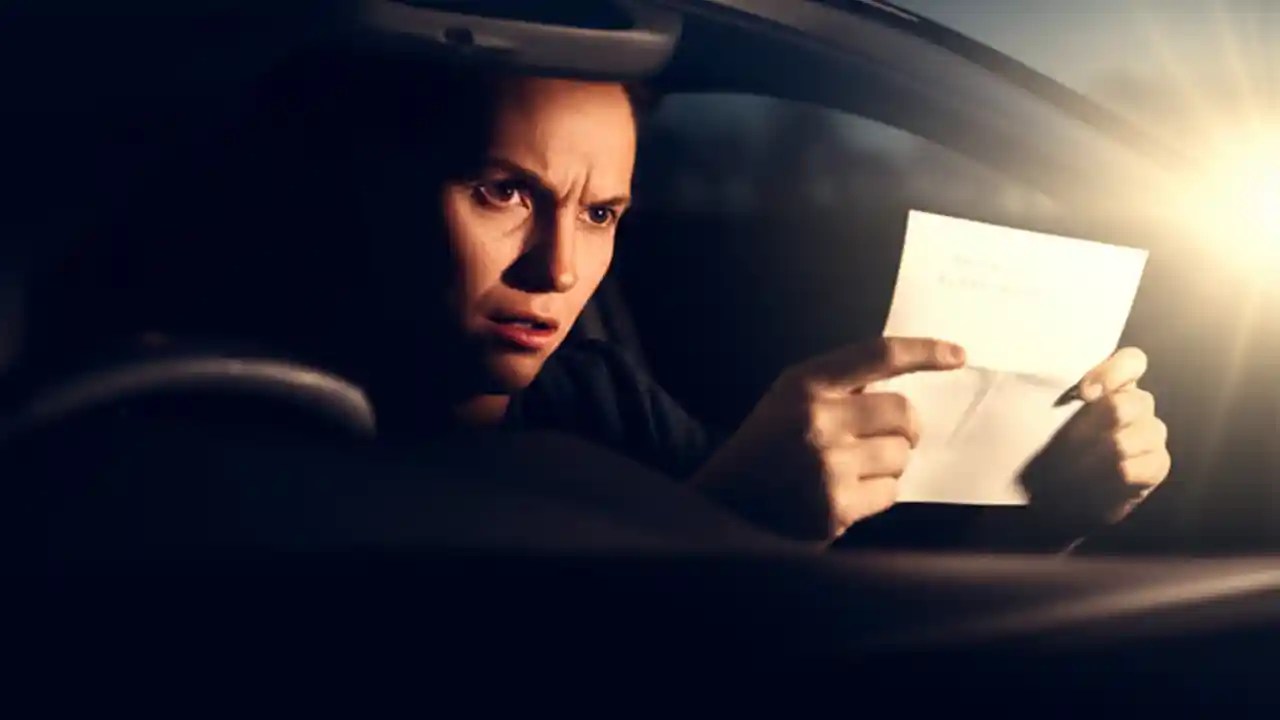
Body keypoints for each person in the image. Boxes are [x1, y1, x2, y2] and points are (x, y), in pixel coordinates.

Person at [54, 53, 1170, 549]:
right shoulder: (225, 440)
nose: (558, 268)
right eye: (504, 191)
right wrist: (728, 527)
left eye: (600, 214)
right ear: (367, 190)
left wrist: (1050, 510)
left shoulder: (602, 404)